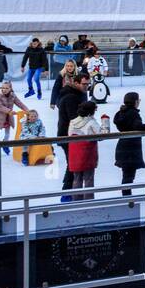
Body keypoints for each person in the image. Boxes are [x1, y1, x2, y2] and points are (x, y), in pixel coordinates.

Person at [113, 92, 145, 196]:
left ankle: (127, 197)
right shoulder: (133, 113)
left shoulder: (121, 112)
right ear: (135, 102)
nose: (139, 102)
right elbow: (139, 126)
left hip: (122, 146)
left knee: (127, 175)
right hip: (131, 149)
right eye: (138, 100)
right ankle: (127, 199)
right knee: (129, 176)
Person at [67, 100, 110, 200]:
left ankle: (76, 200)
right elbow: (103, 135)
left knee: (76, 179)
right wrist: (105, 121)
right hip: (88, 154)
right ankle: (88, 201)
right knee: (88, 179)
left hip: (75, 155)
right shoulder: (91, 122)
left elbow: (70, 135)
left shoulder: (72, 122)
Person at [56, 72, 89, 200]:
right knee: (73, 163)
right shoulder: (71, 97)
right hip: (67, 135)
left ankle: (69, 190)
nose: (86, 86)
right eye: (84, 84)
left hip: (73, 135)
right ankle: (66, 192)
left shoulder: (79, 95)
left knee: (73, 163)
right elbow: (74, 118)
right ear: (76, 83)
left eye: (88, 84)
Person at [0, 81, 28, 157]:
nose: (4, 89)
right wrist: (9, 111)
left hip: (8, 118)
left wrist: (26, 110)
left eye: (6, 88)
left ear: (10, 88)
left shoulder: (13, 96)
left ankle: (5, 144)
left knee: (7, 134)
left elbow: (19, 103)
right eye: (3, 87)